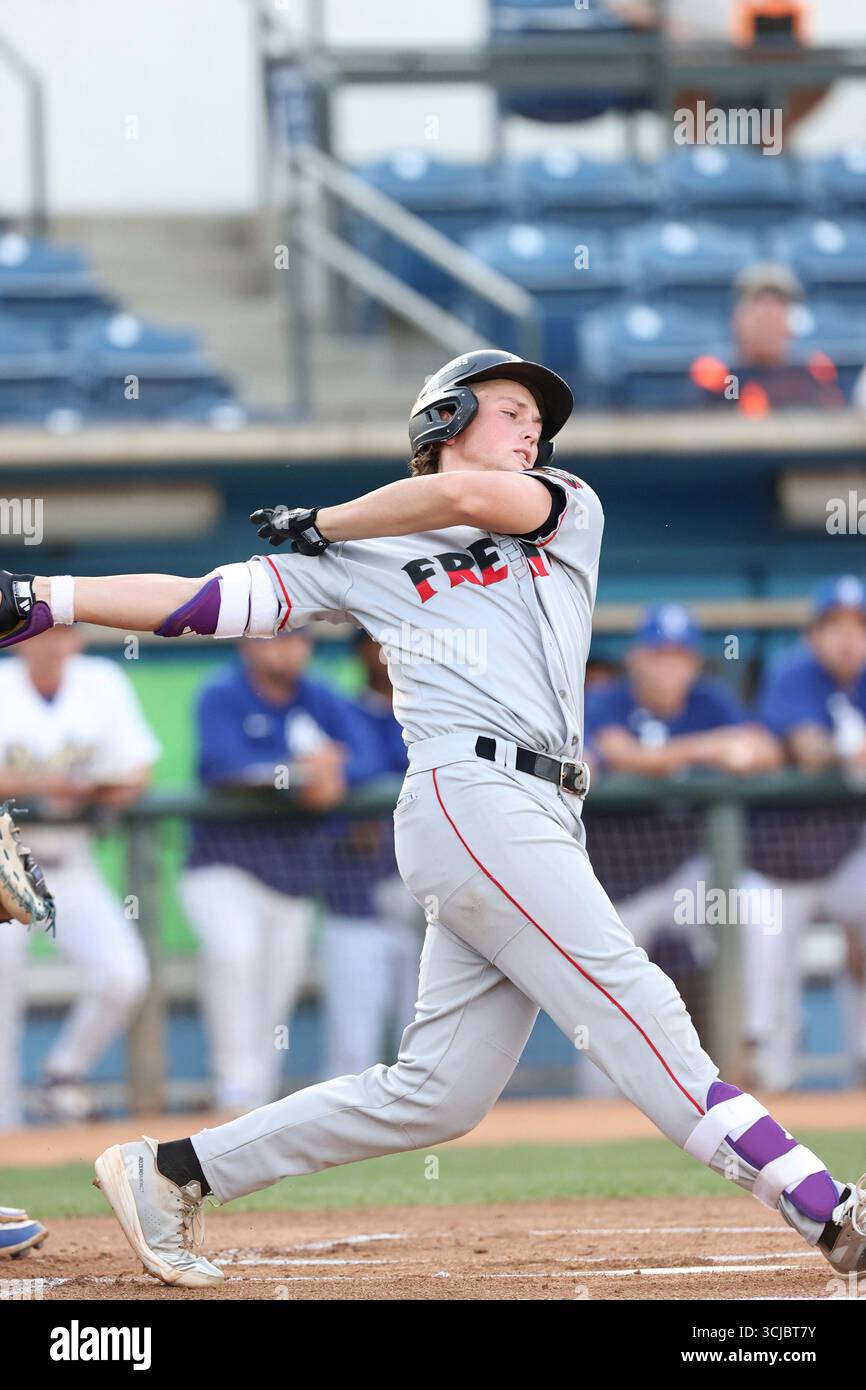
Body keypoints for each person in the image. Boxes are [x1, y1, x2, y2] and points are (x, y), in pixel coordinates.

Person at [1, 347, 863, 1288]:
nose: (532, 426)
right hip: (472, 794)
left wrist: (322, 522)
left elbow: (459, 504)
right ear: (442, 422)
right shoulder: (361, 556)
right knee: (636, 1005)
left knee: (436, 1096)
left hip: (541, 805)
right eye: (507, 409)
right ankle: (826, 1210)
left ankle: (171, 1171)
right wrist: (48, 599)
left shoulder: (560, 504)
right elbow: (202, 603)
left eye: (538, 417)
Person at [580, 602, 782, 1096]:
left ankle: (749, 1048)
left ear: (694, 662)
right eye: (657, 654)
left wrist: (724, 746)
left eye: (679, 655)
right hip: (611, 889)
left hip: (680, 878)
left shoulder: (710, 701)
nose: (668, 666)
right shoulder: (606, 700)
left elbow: (766, 749)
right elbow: (617, 754)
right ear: (636, 659)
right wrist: (706, 749)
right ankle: (592, 1113)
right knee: (600, 998)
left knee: (756, 905)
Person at [180, 630, 375, 1113]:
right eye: (272, 640)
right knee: (235, 957)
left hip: (292, 873)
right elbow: (223, 767)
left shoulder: (321, 695)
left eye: (295, 639)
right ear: (247, 646)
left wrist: (336, 773)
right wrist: (301, 774)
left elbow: (371, 758)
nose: (286, 650)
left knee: (277, 988)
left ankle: (256, 1101)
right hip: (223, 865)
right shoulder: (221, 692)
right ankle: (232, 1086)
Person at [0, 626, 159, 1126]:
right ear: (18, 638)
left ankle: (63, 1072)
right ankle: (6, 1127)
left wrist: (92, 791)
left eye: (63, 631)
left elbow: (137, 770)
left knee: (122, 975)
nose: (53, 642)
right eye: (41, 632)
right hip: (6, 854)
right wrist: (49, 786)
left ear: (77, 639)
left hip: (72, 856)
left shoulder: (101, 681)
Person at [755, 575, 866, 1089]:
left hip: (843, 856)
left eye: (859, 625)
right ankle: (772, 1082)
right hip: (777, 863)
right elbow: (808, 748)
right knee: (768, 973)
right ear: (813, 634)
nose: (848, 637)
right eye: (835, 625)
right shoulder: (791, 674)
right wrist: (847, 752)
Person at [320, 632, 424, 1079]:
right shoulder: (341, 713)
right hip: (356, 896)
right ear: (361, 651)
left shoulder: (437, 713)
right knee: (353, 1045)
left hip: (433, 903)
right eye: (378, 643)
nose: (388, 655)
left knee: (425, 1040)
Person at [689, 263, 845, 414]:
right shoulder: (723, 378)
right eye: (758, 307)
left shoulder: (812, 375)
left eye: (778, 308)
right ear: (737, 318)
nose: (768, 316)